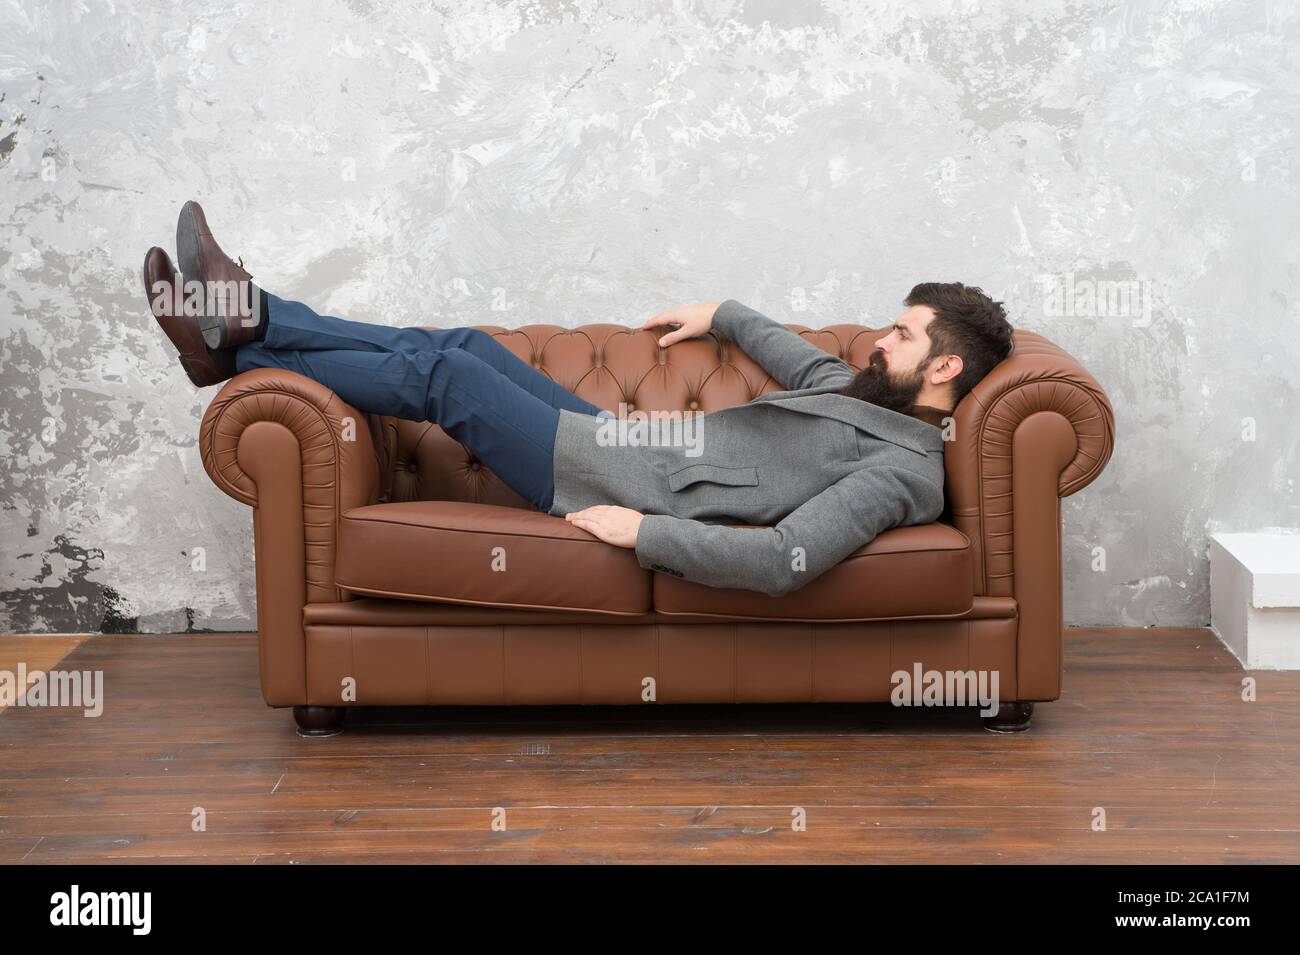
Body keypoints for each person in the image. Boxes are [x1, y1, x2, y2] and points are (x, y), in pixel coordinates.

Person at [145, 201, 1012, 596]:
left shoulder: (904, 471)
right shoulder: (858, 390)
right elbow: (793, 351)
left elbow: (788, 559)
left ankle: (239, 338)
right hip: (625, 440)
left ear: (944, 370)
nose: (879, 341)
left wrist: (646, 534)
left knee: (447, 380)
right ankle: (241, 332)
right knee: (466, 347)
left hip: (628, 485)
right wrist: (725, 313)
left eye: (903, 336)